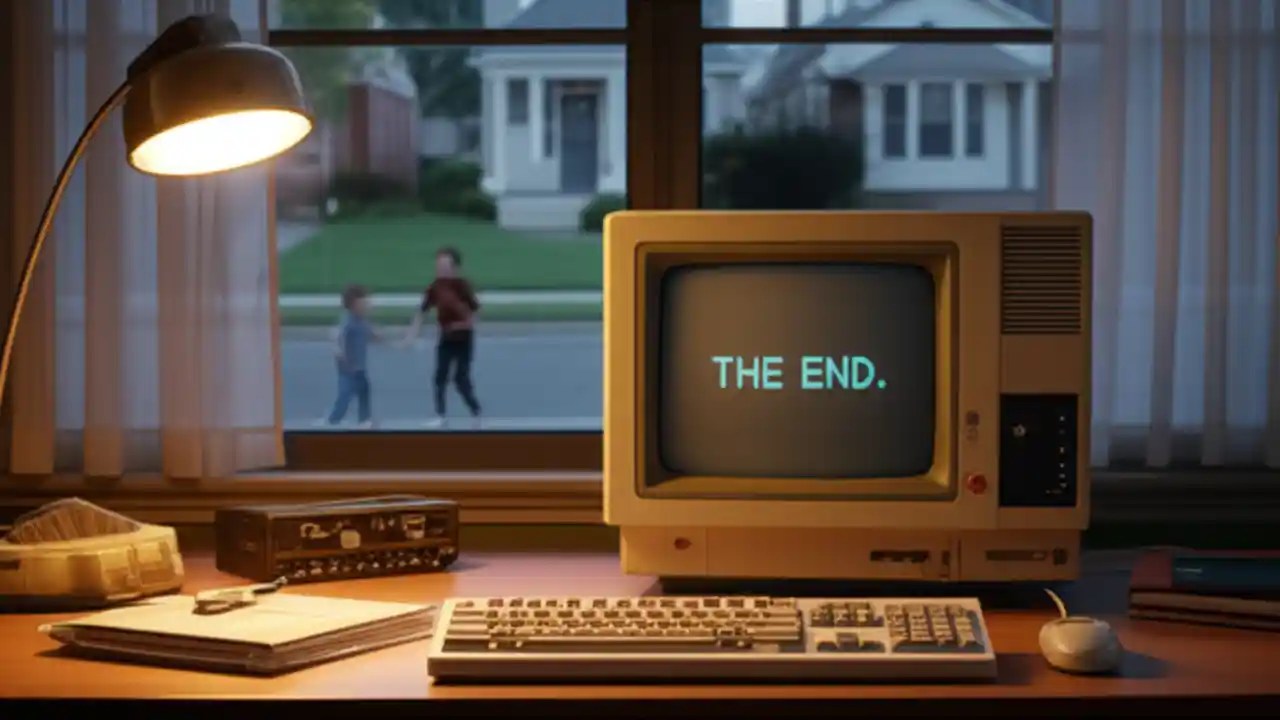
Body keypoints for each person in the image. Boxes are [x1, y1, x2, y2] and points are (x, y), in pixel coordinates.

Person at [405, 247, 482, 427]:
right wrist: (412, 335)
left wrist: (464, 324)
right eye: (438, 265)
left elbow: (475, 312)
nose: (440, 269)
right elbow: (421, 311)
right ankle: (441, 415)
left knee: (460, 379)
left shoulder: (462, 286)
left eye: (444, 265)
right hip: (445, 339)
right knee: (440, 376)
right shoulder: (435, 287)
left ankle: (476, 412)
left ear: (454, 268)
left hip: (464, 340)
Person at [321, 284, 380, 428]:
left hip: (359, 368)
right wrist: (339, 352)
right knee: (345, 396)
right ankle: (333, 420)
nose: (367, 305)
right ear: (354, 304)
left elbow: (373, 335)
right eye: (364, 302)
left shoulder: (362, 322)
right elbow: (336, 337)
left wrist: (397, 343)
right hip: (348, 369)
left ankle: (364, 419)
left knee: (364, 391)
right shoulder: (347, 322)